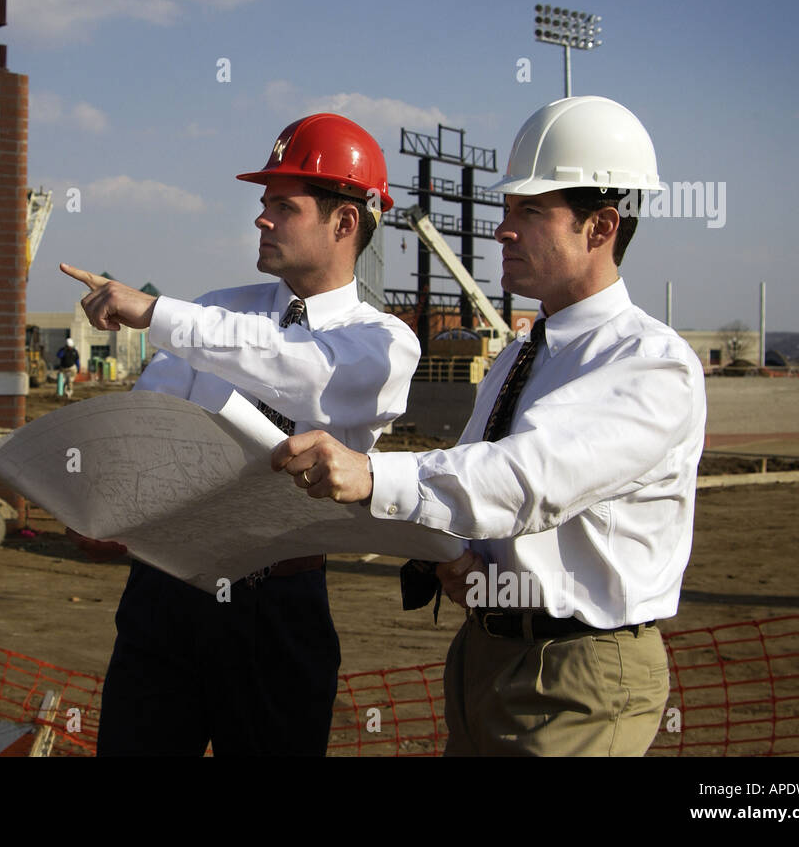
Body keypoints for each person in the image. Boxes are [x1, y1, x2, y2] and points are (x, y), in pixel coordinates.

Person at [272, 96, 706, 756]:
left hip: (577, 677)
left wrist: (372, 474)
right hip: (485, 655)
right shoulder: (519, 355)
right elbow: (478, 491)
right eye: (506, 210)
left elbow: (532, 478)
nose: (503, 230)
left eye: (531, 211)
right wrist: (465, 562)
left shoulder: (650, 363)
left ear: (601, 226)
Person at [59, 113, 421, 755]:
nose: (261, 218)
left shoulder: (384, 343)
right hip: (164, 595)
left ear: (344, 223)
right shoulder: (215, 310)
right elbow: (146, 428)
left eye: (284, 205)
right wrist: (103, 503)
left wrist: (157, 313)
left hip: (277, 604)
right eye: (263, 203)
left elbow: (300, 369)